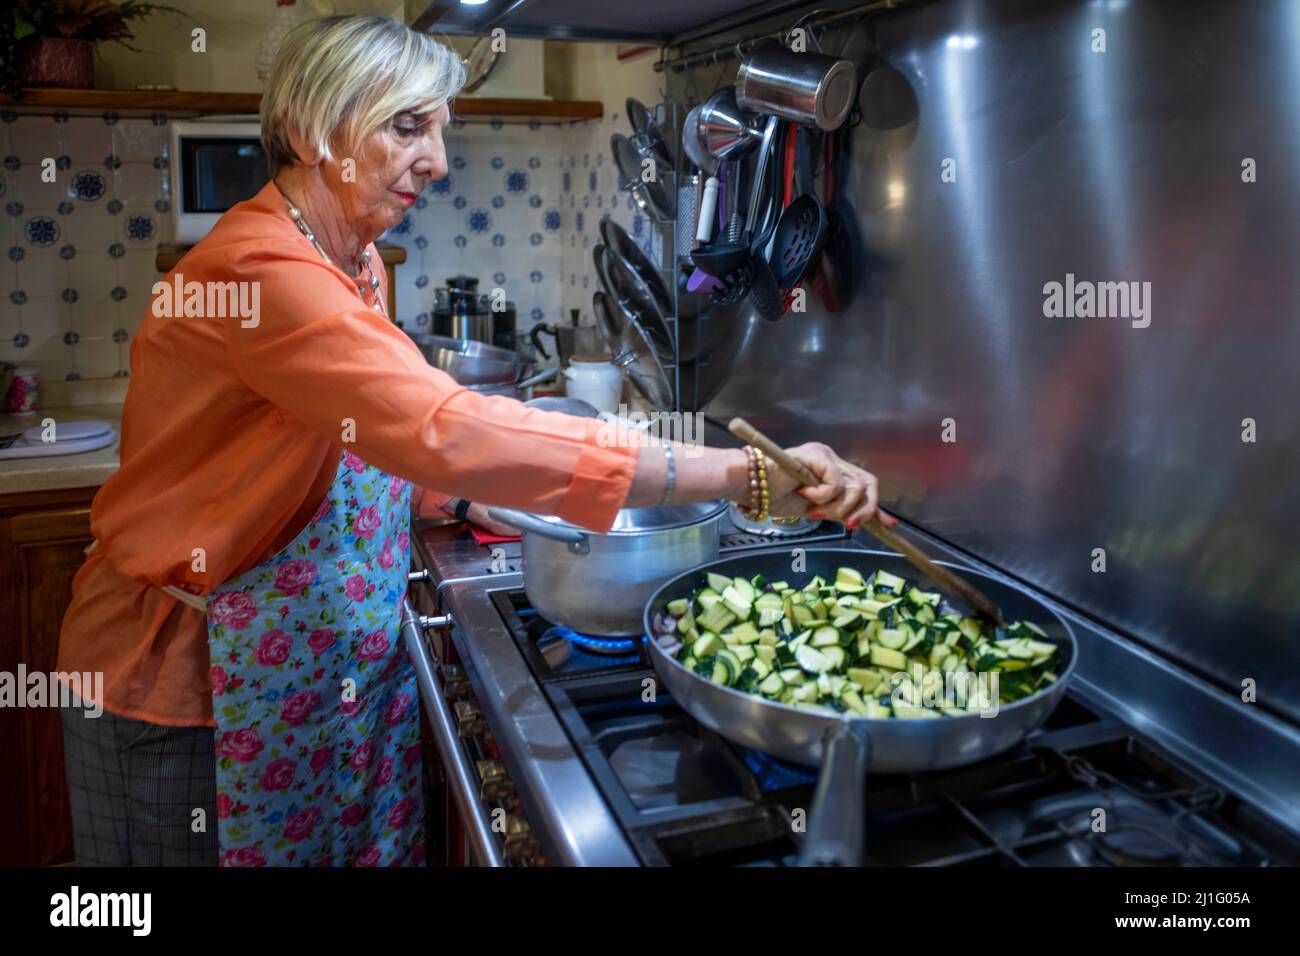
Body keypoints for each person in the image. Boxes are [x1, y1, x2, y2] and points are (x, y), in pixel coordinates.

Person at [55, 15, 893, 867]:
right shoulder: (258, 275)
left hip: (309, 676)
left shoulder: (358, 260)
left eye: (441, 130)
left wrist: (451, 494)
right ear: (313, 132)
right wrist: (745, 474)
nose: (438, 162)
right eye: (408, 126)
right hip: (184, 685)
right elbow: (439, 425)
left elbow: (353, 436)